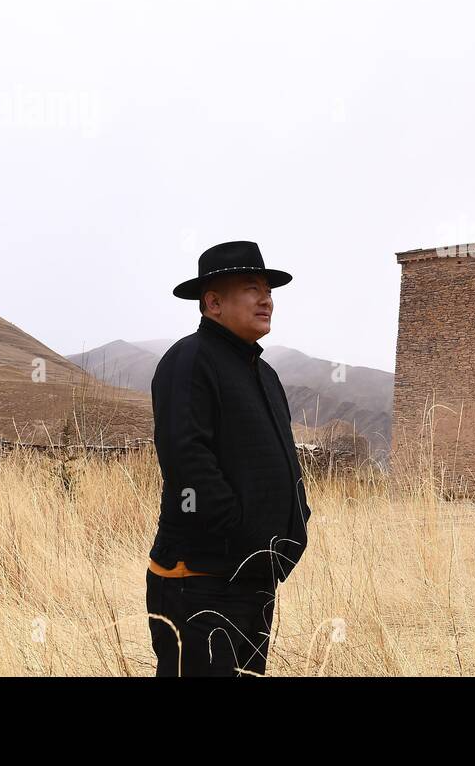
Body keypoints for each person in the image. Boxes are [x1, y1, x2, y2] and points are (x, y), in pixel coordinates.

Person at [145, 240, 311, 676]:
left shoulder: (264, 373)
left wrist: (297, 524)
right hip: (199, 580)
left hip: (252, 579)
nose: (266, 299)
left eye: (269, 291)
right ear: (213, 302)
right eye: (252, 288)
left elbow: (280, 461)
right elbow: (186, 460)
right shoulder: (189, 360)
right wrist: (239, 533)